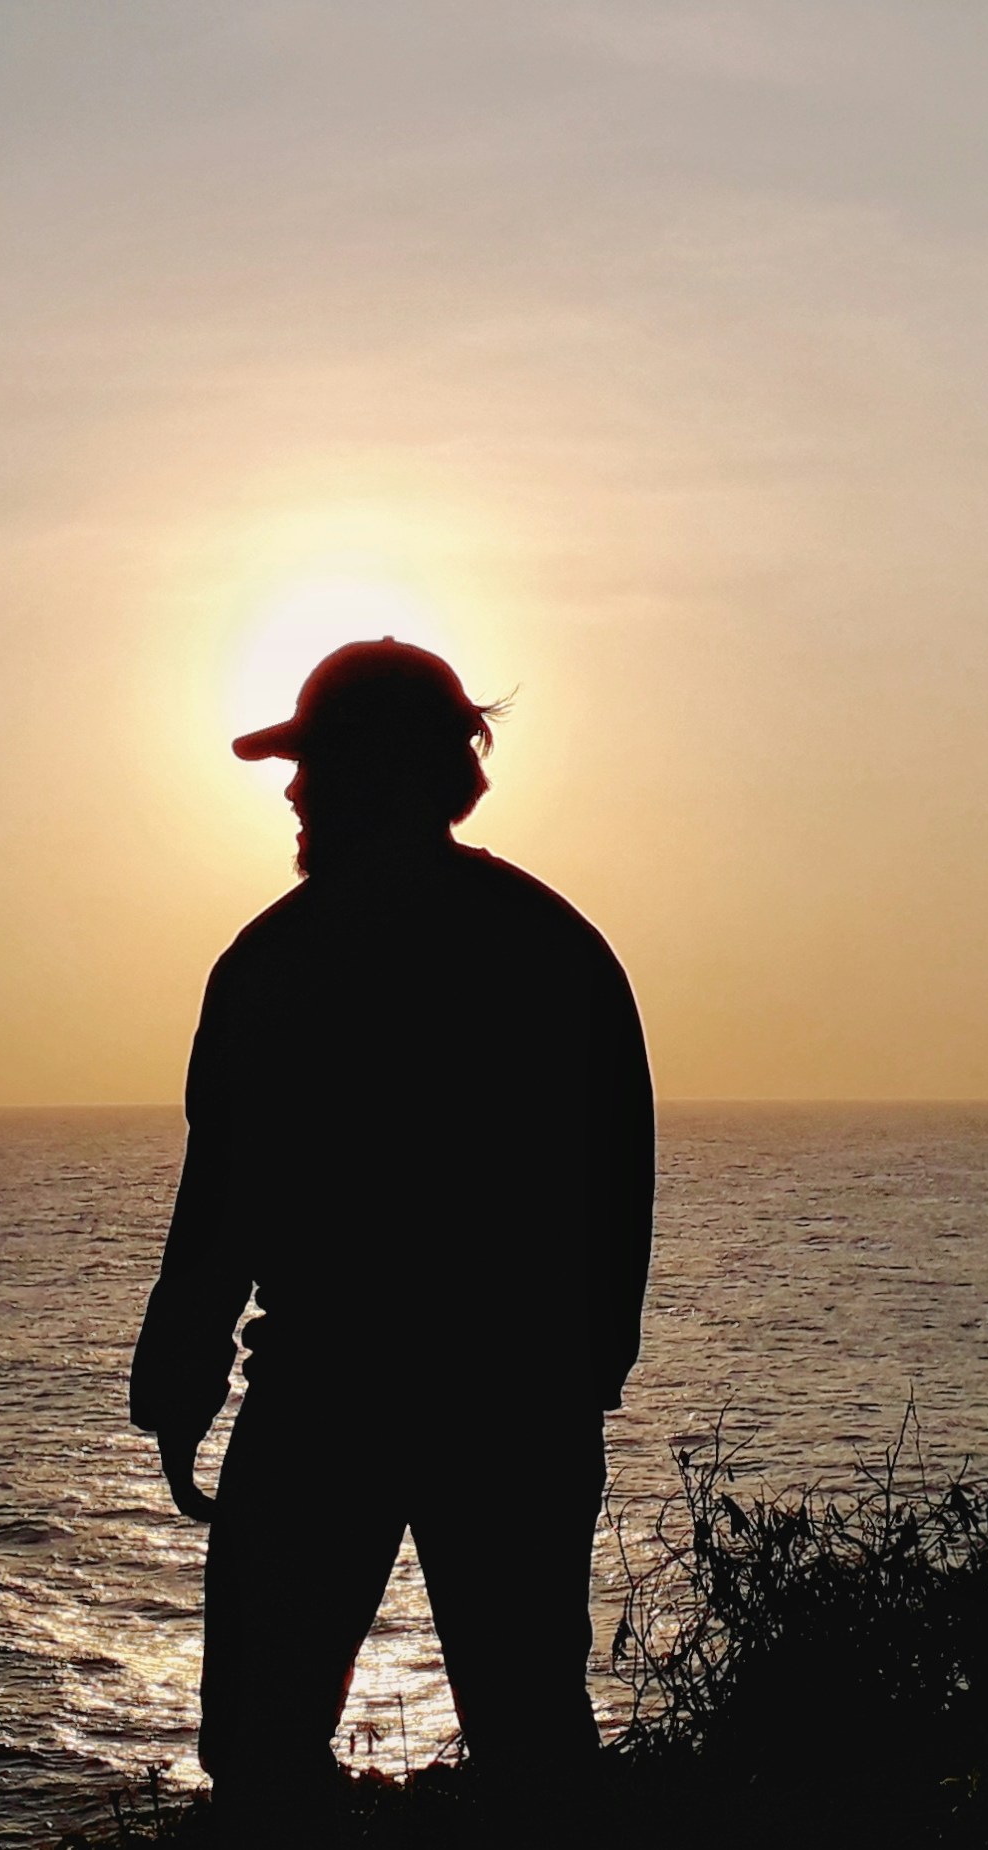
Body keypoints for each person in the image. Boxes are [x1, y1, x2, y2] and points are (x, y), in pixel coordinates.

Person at [131, 638, 656, 1828]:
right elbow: (618, 1182)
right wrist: (582, 1375)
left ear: (378, 770)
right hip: (517, 1399)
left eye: (313, 763)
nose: (294, 791)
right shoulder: (554, 947)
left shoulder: (274, 962)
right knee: (535, 1748)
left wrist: (175, 1387)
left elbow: (221, 1209)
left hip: (328, 1398)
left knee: (262, 1754)